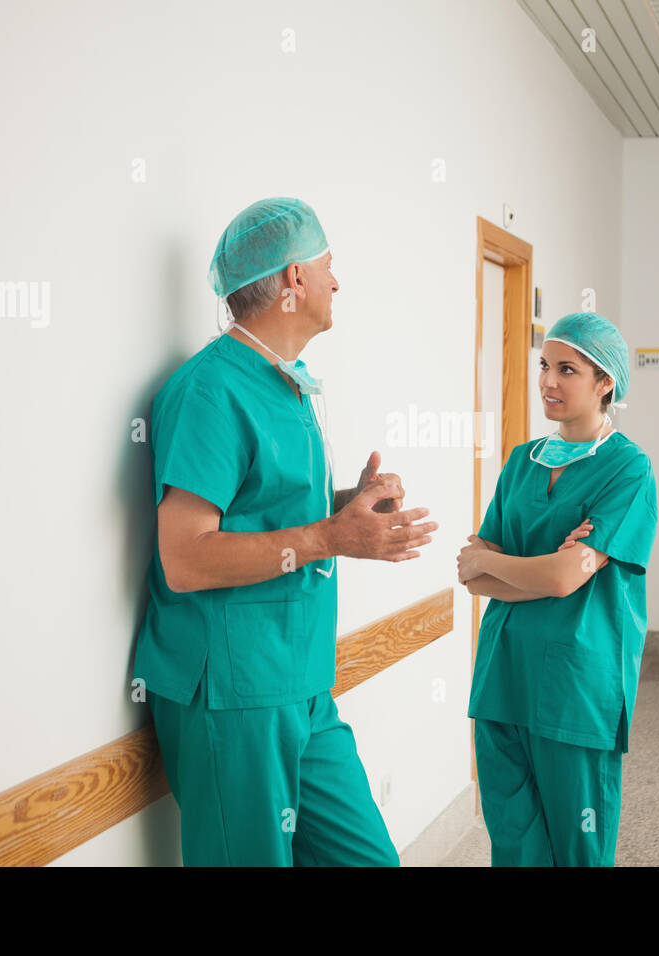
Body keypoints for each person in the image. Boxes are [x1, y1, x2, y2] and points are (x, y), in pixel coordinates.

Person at [134, 197, 439, 866]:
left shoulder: (287, 387)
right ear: (295, 279)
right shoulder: (211, 391)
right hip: (233, 694)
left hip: (300, 684)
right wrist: (334, 536)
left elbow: (264, 512)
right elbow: (184, 557)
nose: (338, 282)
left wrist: (347, 509)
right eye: (330, 267)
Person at [457, 311, 657, 866]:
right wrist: (543, 570)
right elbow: (473, 576)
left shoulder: (629, 470)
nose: (548, 381)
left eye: (567, 369)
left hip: (575, 687)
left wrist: (507, 567)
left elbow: (564, 576)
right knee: (514, 843)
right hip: (502, 678)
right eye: (544, 365)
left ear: (605, 383)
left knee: (577, 847)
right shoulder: (522, 461)